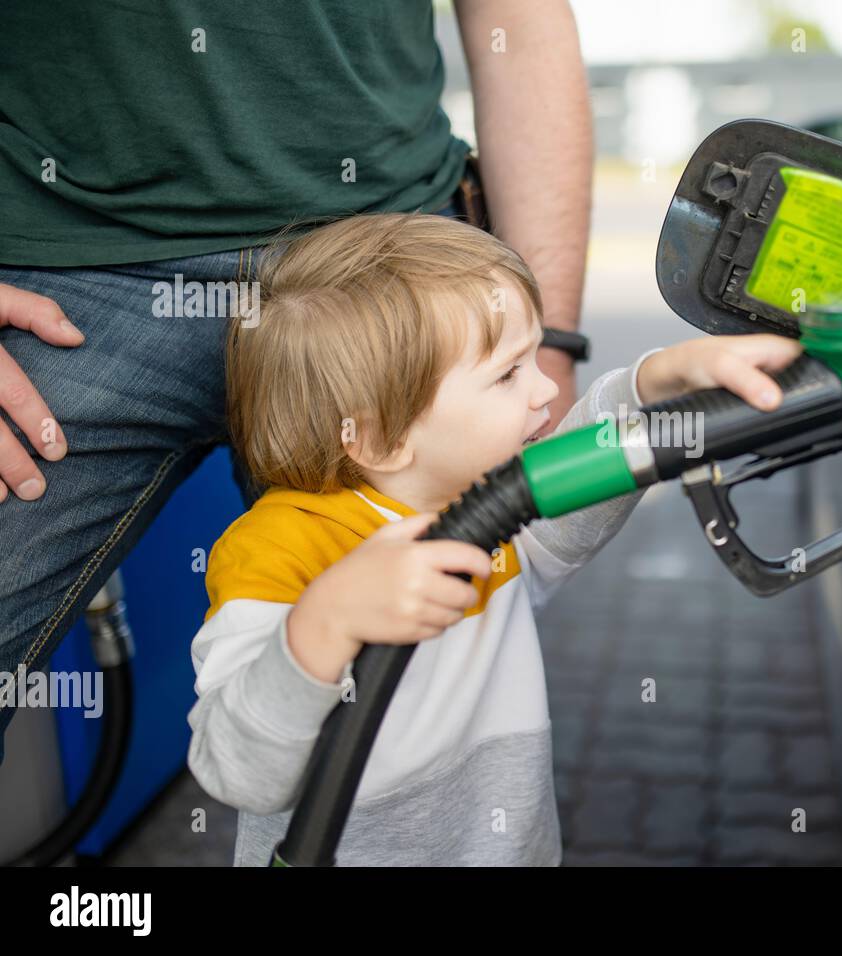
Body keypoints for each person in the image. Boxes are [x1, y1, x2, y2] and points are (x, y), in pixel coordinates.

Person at [0, 1, 594, 763]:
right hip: (68, 272)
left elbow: (517, 16)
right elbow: (239, 768)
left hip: (395, 280)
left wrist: (547, 353)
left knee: (426, 725)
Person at [185, 212, 802, 865]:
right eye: (508, 374)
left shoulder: (482, 508)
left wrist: (653, 387)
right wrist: (323, 623)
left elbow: (571, 493)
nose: (543, 389)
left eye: (534, 357)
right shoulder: (278, 549)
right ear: (379, 439)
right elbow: (235, 771)